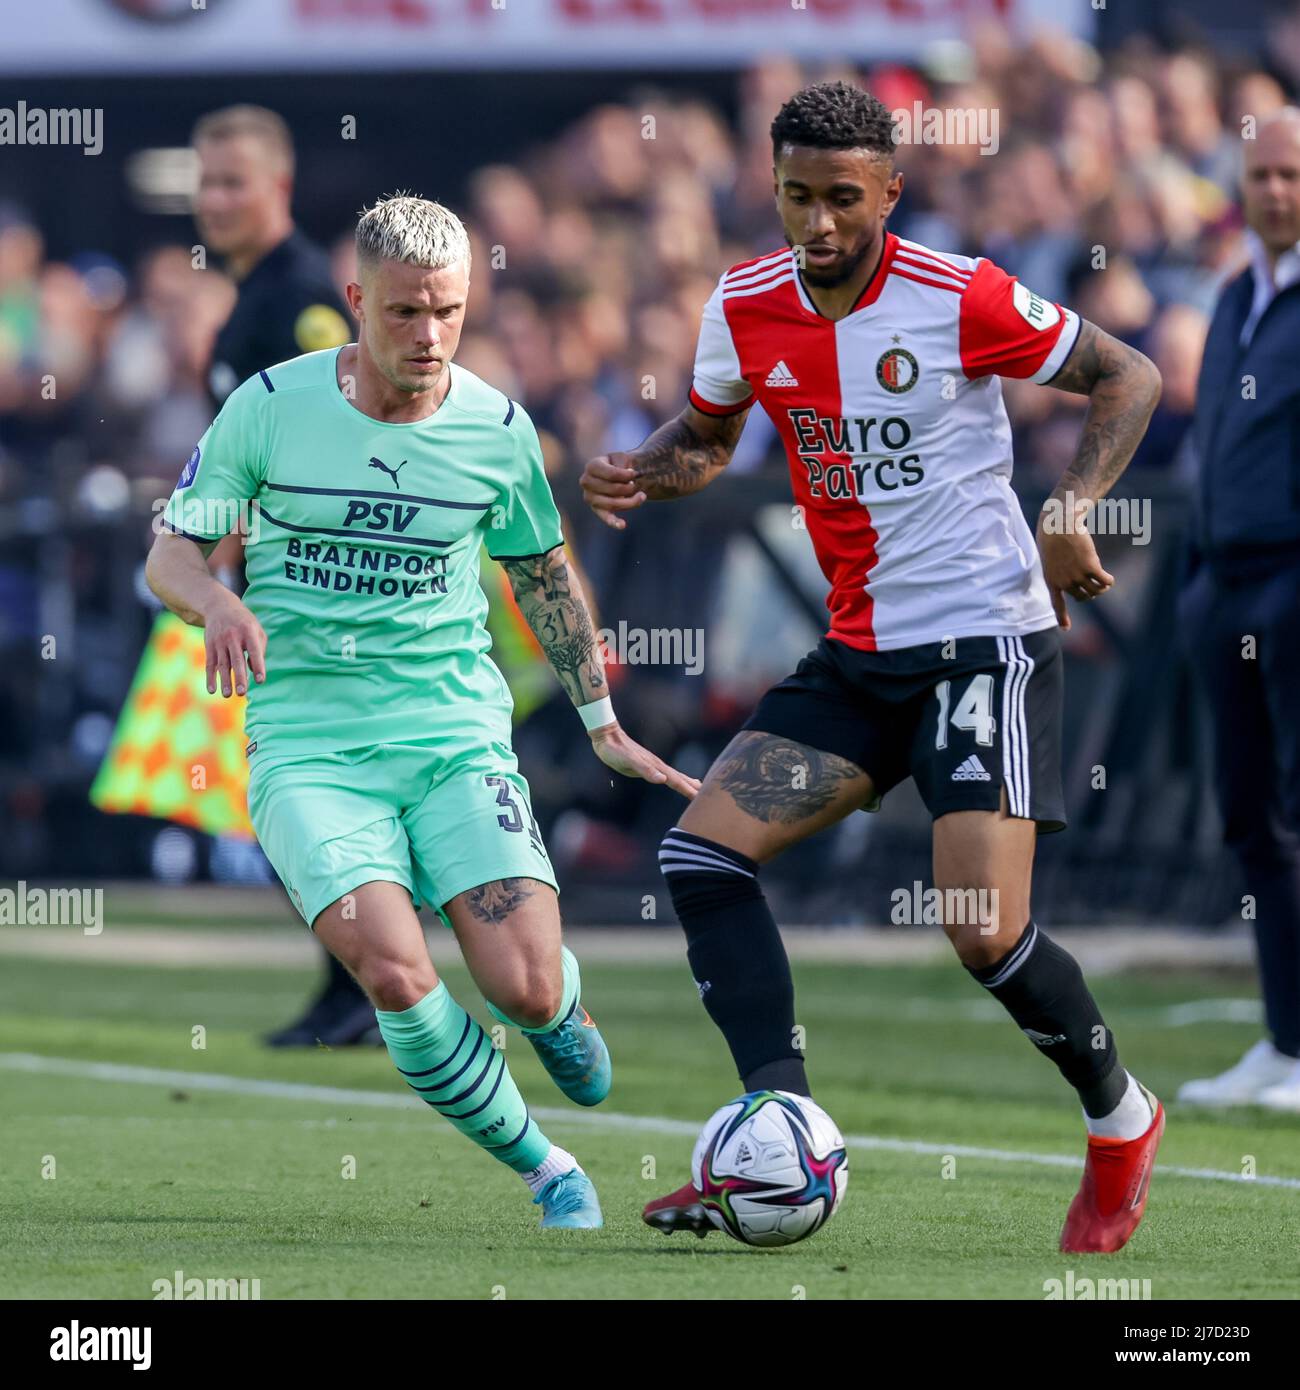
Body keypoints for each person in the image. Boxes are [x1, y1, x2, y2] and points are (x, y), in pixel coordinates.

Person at [582, 82, 1165, 1253]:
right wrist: (644, 469)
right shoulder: (743, 303)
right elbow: (707, 438)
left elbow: (1131, 374)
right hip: (857, 656)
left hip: (980, 642)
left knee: (979, 932)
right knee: (701, 854)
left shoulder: (959, 294)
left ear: (890, 192)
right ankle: (779, 1114)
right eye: (796, 195)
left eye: (842, 198)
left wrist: (1070, 504)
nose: (816, 223)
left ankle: (1121, 1117)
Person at [146, 194, 697, 1228]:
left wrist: (598, 717)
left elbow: (542, 577)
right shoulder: (269, 405)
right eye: (404, 313)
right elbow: (170, 551)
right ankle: (547, 1169)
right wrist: (216, 597)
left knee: (523, 991)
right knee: (395, 971)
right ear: (356, 301)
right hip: (308, 748)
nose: (428, 335)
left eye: (447, 311)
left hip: (451, 740)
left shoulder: (495, 430)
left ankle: (556, 1002)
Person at [192, 104, 364, 1047]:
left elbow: (334, 437)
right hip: (268, 593)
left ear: (279, 188)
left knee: (308, 795)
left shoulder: (295, 298)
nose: (215, 202)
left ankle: (370, 989)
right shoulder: (256, 295)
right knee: (290, 798)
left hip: (315, 596)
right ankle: (354, 988)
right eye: (206, 184)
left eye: (234, 183)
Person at [1178, 109, 1300, 1112]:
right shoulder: (1234, 300)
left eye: (1291, 174)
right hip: (1225, 584)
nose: (1274, 191)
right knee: (1253, 818)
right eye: (1260, 174)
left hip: (1292, 579)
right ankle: (1284, 1034)